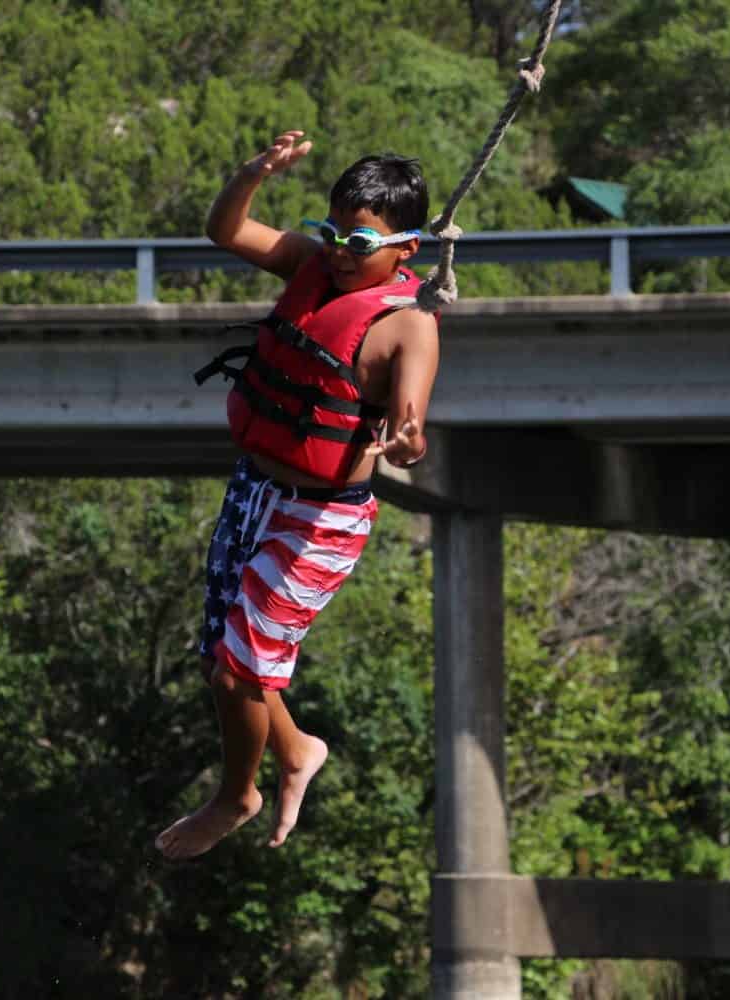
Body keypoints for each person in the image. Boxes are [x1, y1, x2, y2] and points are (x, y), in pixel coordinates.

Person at [155, 130, 440, 860]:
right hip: (255, 487)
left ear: (405, 249)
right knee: (223, 648)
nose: (342, 250)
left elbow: (411, 416)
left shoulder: (409, 324)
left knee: (238, 667)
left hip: (320, 520)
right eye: (334, 231)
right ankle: (297, 750)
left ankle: (235, 796)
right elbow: (226, 230)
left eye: (362, 240)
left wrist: (407, 438)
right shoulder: (311, 265)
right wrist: (252, 173)